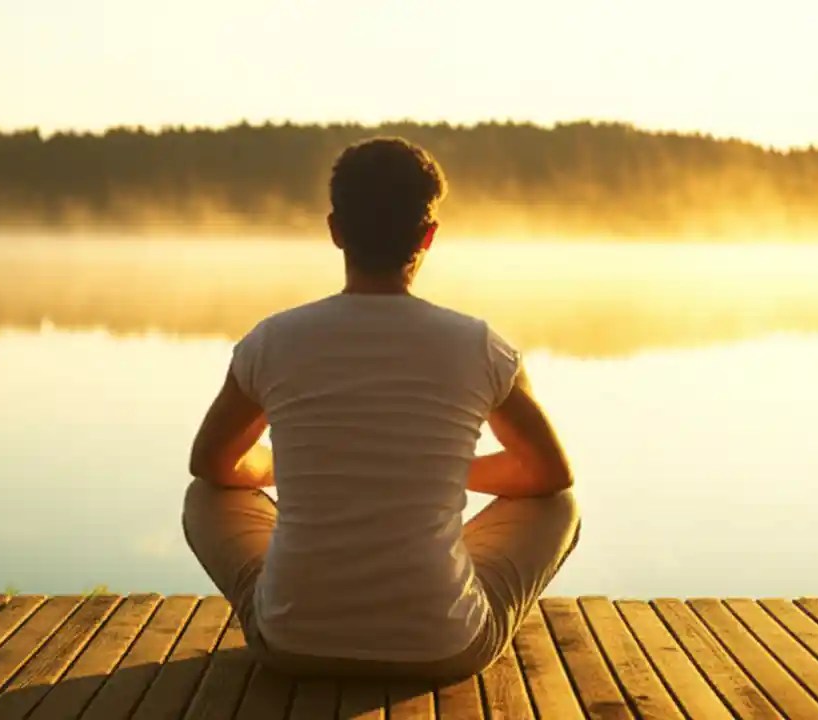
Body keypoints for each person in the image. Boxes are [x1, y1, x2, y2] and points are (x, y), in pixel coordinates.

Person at [184, 137, 579, 681]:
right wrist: (428, 471)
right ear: (429, 236)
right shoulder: (479, 346)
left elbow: (212, 463)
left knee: (205, 498)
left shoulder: (274, 340)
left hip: (292, 645)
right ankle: (429, 584)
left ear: (335, 229)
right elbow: (549, 474)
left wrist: (290, 465)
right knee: (559, 506)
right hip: (442, 650)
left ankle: (305, 606)